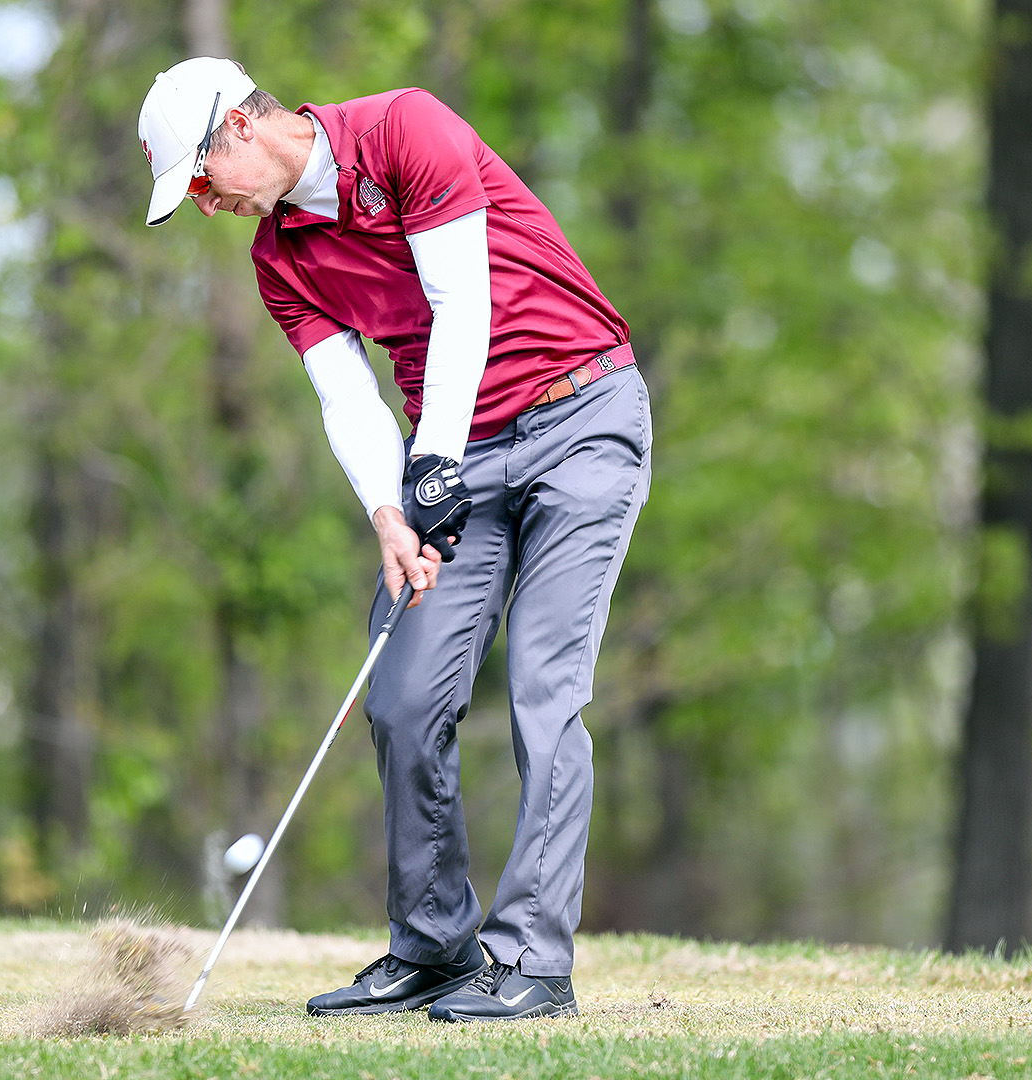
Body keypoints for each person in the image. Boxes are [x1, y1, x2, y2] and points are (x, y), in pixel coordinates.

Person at [139, 56, 651, 1023]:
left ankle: (533, 961)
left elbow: (464, 303)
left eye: (201, 179)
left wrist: (437, 460)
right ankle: (434, 947)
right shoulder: (279, 260)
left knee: (545, 691)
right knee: (404, 696)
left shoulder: (404, 130)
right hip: (453, 454)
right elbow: (347, 398)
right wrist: (389, 510)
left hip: (580, 414)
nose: (206, 205)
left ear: (239, 125)